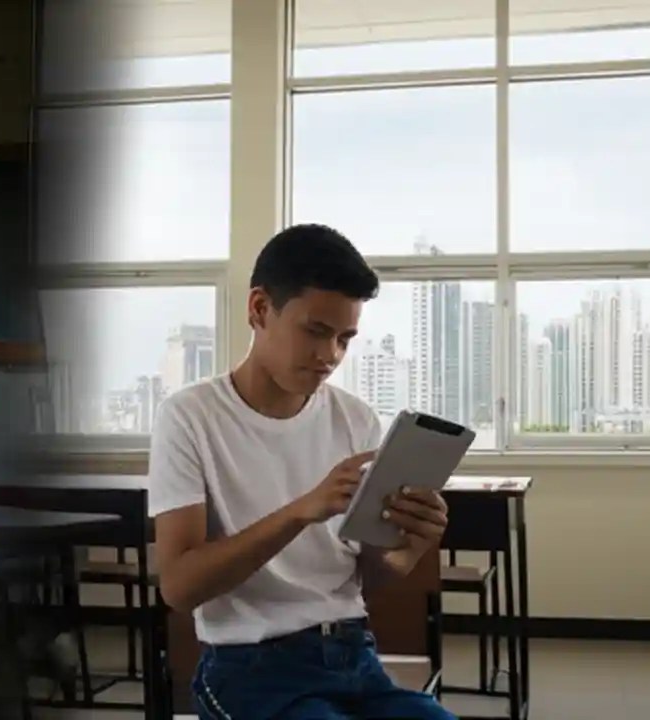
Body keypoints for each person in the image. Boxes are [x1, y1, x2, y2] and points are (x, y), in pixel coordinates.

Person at [149, 224, 455, 720]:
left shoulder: (355, 419)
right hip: (246, 669)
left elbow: (368, 577)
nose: (330, 355)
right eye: (315, 332)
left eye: (344, 339)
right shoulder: (190, 416)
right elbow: (179, 588)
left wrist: (411, 547)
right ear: (259, 309)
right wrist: (301, 512)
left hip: (354, 657)